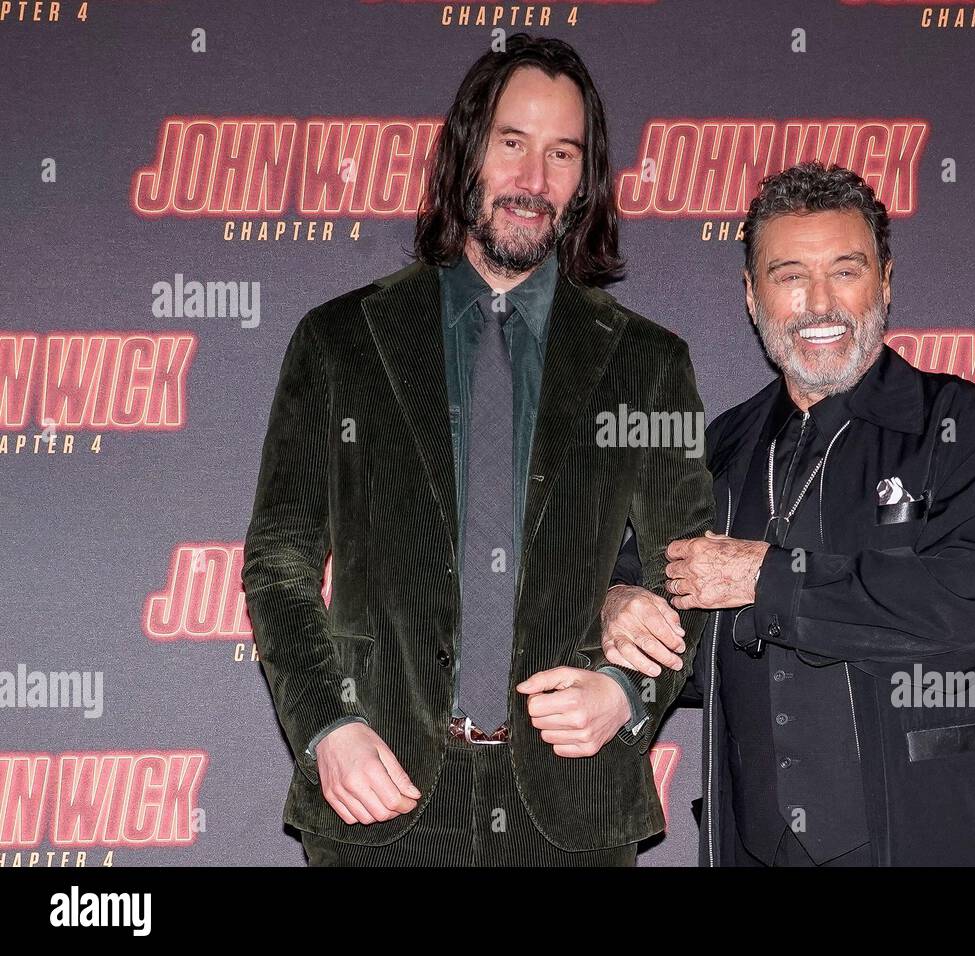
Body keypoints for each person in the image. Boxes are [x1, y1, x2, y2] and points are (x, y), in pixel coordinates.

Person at [241, 34, 713, 866]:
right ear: (467, 151)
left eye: (562, 154)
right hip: (382, 800)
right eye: (512, 144)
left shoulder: (646, 362)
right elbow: (279, 561)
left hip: (569, 806)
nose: (533, 181)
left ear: (587, 180)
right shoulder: (341, 341)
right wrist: (325, 727)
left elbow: (689, 569)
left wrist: (627, 693)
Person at [602, 161, 975, 866]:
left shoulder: (956, 423)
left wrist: (765, 578)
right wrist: (617, 602)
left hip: (932, 843)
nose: (820, 303)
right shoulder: (724, 449)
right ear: (752, 297)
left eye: (846, 270)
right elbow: (651, 602)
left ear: (886, 282)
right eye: (788, 275)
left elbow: (968, 617)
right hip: (759, 848)